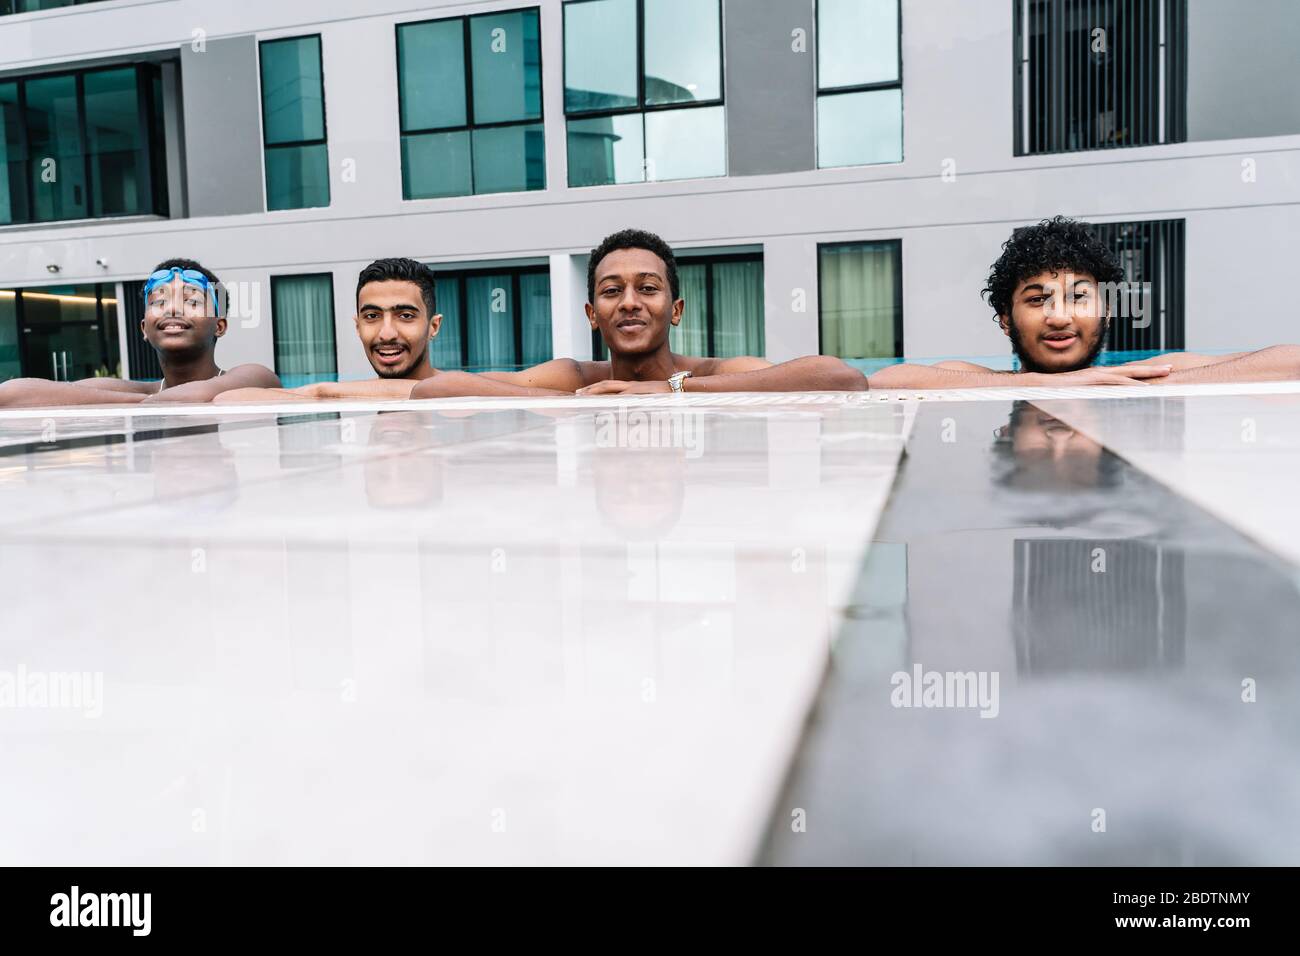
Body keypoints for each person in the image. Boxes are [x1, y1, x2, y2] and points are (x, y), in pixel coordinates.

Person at [411, 228, 866, 399]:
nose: (629, 301)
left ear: (675, 310)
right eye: (612, 291)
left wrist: (668, 390)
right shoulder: (578, 381)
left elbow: (841, 378)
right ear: (592, 313)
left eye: (647, 289)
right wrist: (573, 405)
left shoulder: (714, 373)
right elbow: (440, 388)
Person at [869, 216, 1300, 388]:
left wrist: (1141, 390)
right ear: (1005, 319)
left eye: (1079, 297)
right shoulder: (985, 379)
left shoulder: (1142, 375)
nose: (1059, 316)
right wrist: (1046, 385)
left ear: (1107, 308)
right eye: (1037, 299)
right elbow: (887, 381)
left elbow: (1290, 360)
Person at [0, 258, 278, 407]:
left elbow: (196, 397)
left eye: (192, 301)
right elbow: (11, 394)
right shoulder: (137, 390)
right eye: (158, 302)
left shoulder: (252, 376)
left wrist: (110, 403)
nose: (172, 310)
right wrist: (146, 401)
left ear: (220, 325)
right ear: (144, 329)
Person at [215, 257, 441, 403]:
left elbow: (442, 388)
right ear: (358, 327)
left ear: (433, 326)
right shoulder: (345, 396)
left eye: (405, 316)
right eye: (372, 316)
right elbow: (226, 399)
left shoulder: (459, 386)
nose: (387, 333)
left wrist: (321, 393)